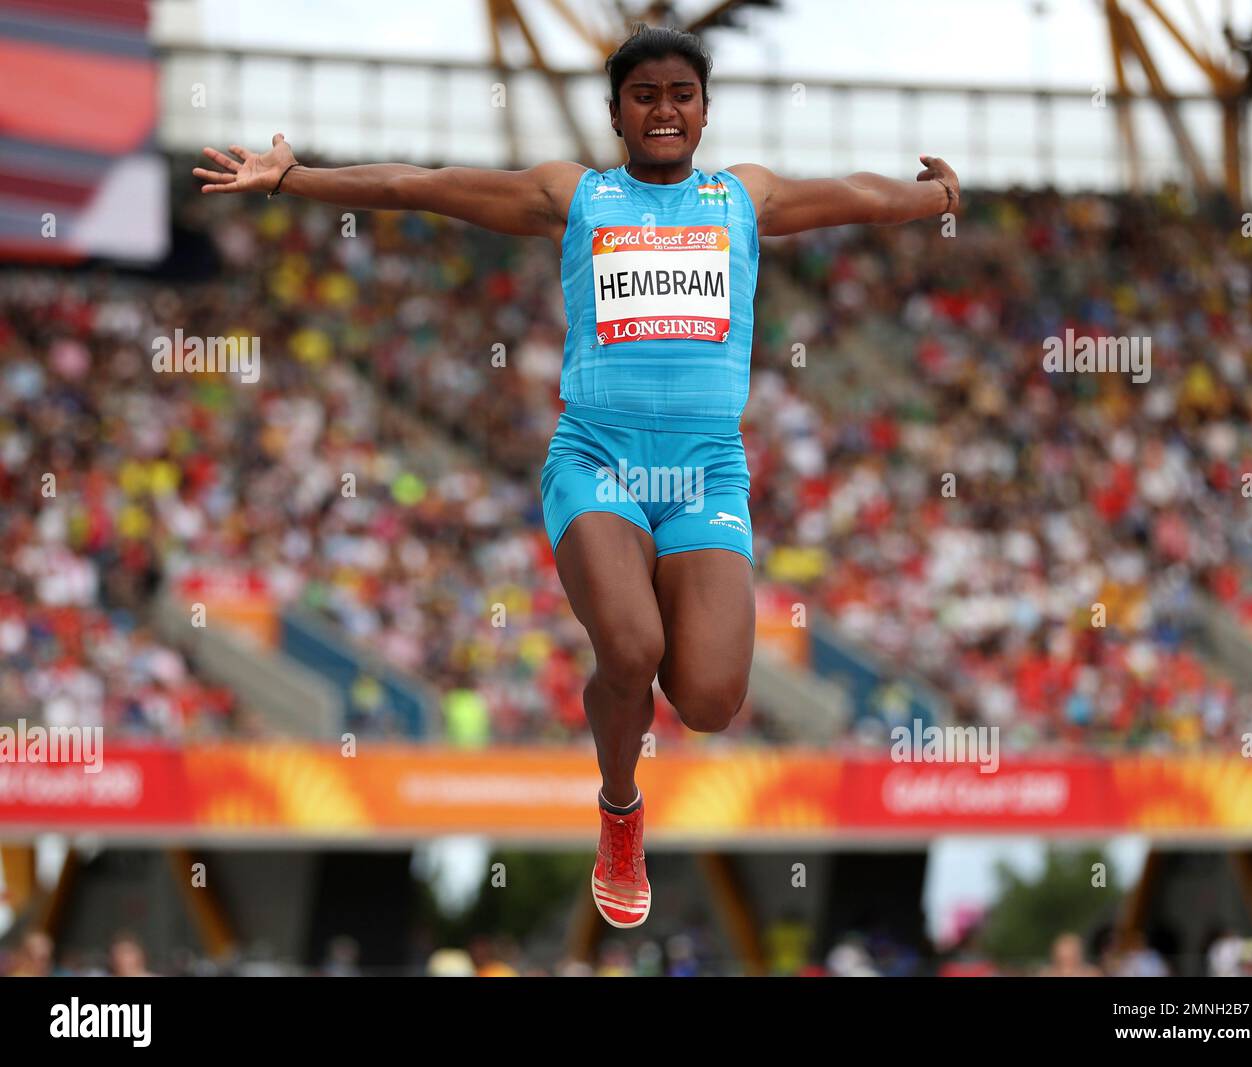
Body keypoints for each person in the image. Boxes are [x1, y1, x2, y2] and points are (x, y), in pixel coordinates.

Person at [193, 24, 959, 928]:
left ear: (705, 111)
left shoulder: (742, 197)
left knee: (711, 701)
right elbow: (424, 187)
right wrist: (295, 177)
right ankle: (621, 809)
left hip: (706, 472)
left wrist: (935, 195)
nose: (663, 110)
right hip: (598, 458)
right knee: (630, 646)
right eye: (644, 95)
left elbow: (859, 197)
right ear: (616, 113)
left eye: (681, 94)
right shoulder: (579, 195)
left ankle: (648, 688)